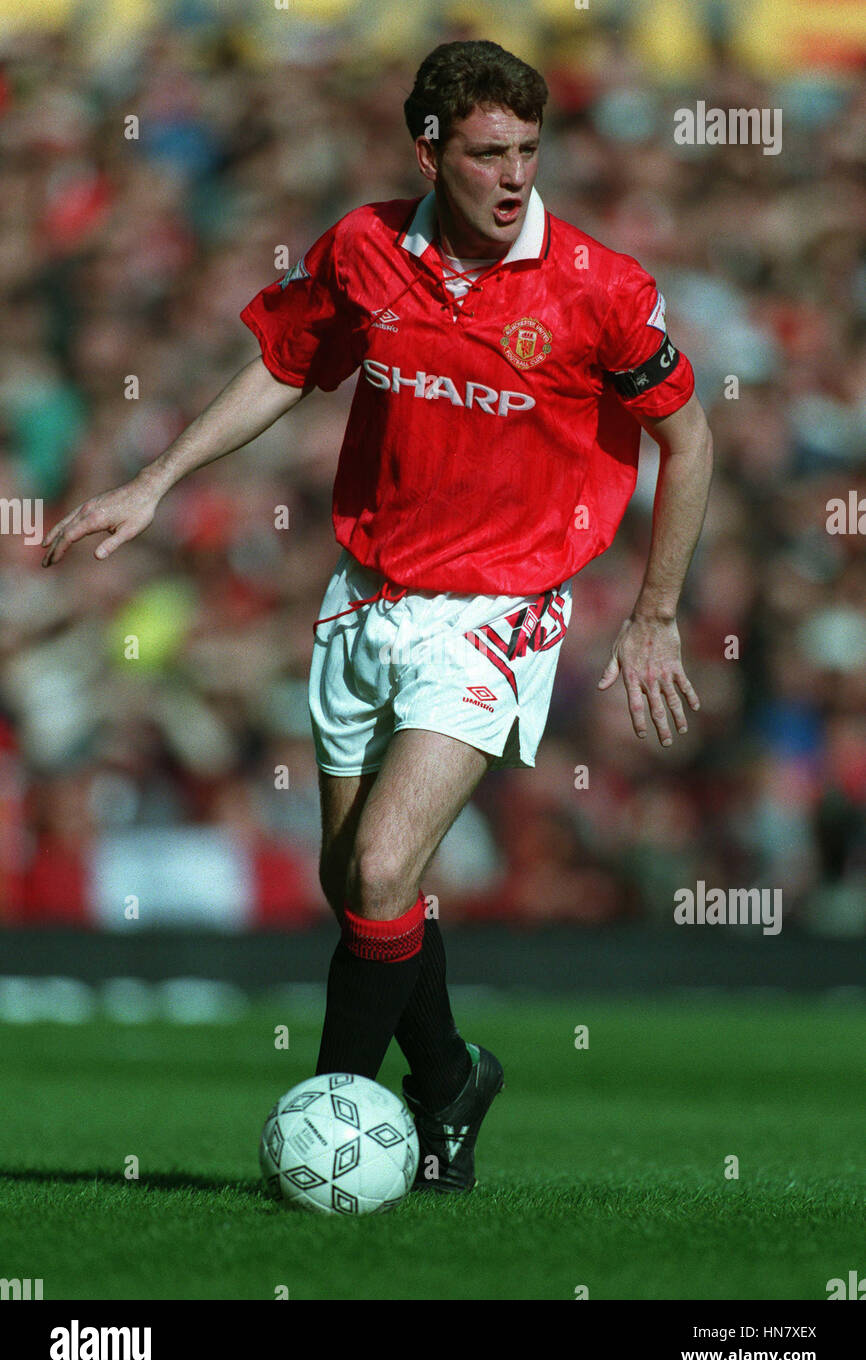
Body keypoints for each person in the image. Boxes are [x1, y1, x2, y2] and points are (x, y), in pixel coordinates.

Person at [41, 40, 713, 1195]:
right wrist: (155, 482)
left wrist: (654, 613)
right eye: (487, 154)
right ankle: (448, 1075)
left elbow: (686, 436)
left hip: (497, 610)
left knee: (386, 867)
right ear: (428, 151)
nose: (513, 179)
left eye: (527, 153)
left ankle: (323, 1128)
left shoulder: (598, 287)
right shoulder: (364, 247)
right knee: (352, 883)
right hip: (362, 598)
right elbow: (288, 364)